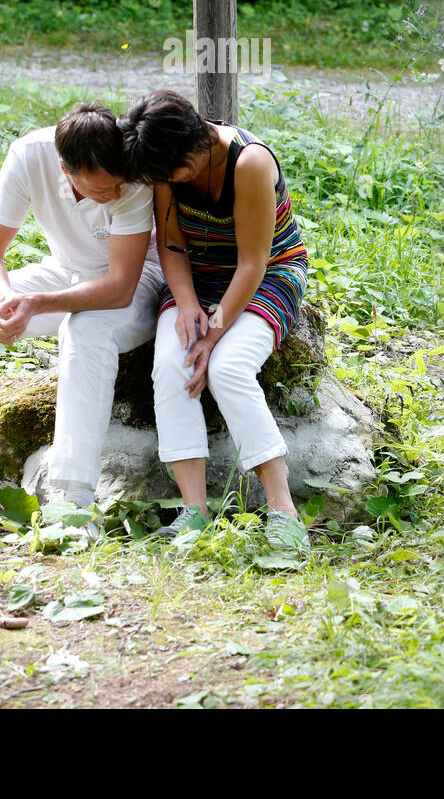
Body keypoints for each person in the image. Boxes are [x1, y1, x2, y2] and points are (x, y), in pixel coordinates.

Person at [118, 90, 309, 550]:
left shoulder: (250, 163)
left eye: (169, 173)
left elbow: (253, 262)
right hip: (197, 276)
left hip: (265, 273)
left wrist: (214, 335)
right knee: (170, 364)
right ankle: (194, 512)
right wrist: (185, 304)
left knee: (228, 366)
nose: (165, 181)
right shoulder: (165, 164)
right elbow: (172, 244)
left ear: (197, 141)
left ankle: (283, 512)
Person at [0, 102, 162, 514]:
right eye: (101, 190)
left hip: (139, 281)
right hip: (66, 271)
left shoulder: (131, 175)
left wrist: (37, 303)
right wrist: (5, 299)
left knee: (84, 330)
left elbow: (119, 288)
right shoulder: (29, 155)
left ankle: (72, 499)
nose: (114, 195)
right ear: (66, 171)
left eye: (117, 185)